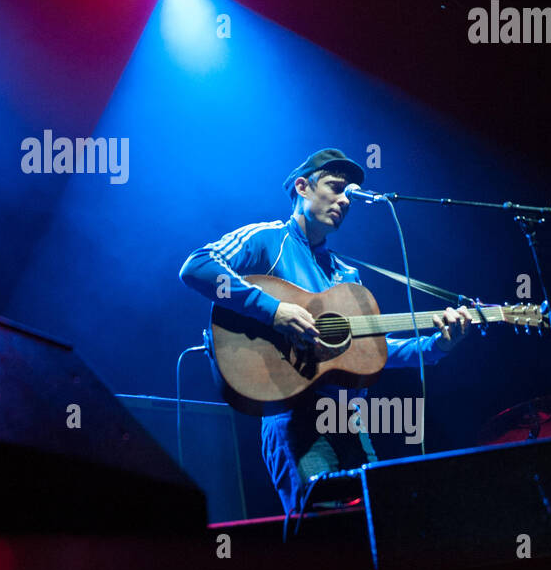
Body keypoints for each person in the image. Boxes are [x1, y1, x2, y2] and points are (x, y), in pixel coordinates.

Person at [178, 148, 475, 516]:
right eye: (336, 188)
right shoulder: (267, 239)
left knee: (373, 524)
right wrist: (273, 310)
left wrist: (437, 346)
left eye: (350, 193)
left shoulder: (347, 277)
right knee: (320, 527)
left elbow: (373, 353)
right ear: (303, 187)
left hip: (346, 417)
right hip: (290, 412)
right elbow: (197, 266)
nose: (345, 200)